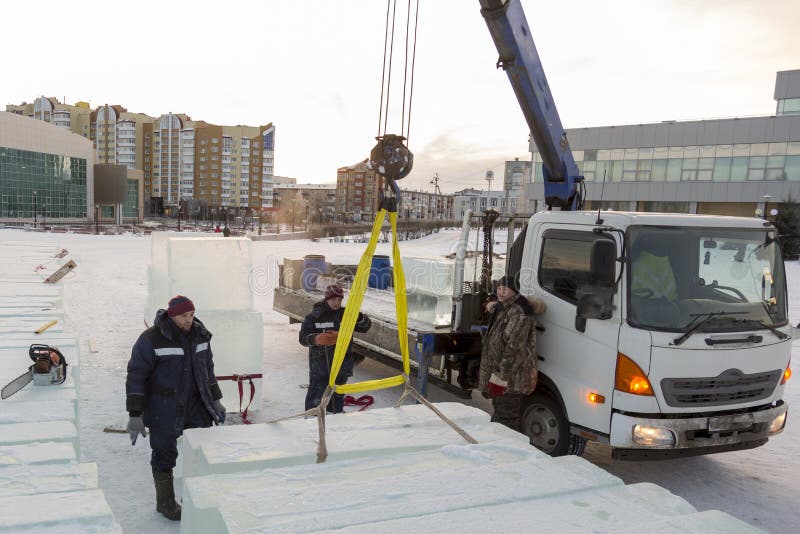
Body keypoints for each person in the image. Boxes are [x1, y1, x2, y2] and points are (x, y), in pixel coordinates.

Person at [125, 295, 226, 521]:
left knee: (201, 451)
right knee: (164, 454)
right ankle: (166, 503)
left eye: (191, 314)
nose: (189, 320)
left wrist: (215, 399)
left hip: (197, 406)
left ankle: (200, 498)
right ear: (172, 315)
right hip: (164, 408)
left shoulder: (200, 335)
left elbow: (208, 370)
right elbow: (136, 377)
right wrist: (135, 414)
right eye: (183, 316)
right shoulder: (151, 339)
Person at [478, 275, 542, 432]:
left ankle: (505, 451)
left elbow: (514, 349)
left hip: (510, 380)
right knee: (501, 414)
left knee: (506, 421)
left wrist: (500, 378)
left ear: (514, 291)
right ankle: (501, 449)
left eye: (505, 289)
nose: (500, 292)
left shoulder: (518, 312)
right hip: (504, 377)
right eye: (499, 288)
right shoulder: (504, 307)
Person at [299, 284, 371, 414]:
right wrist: (316, 339)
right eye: (333, 299)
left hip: (342, 367)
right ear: (327, 299)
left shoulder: (346, 315)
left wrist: (359, 317)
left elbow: (365, 327)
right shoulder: (314, 317)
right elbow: (303, 338)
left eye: (339, 299)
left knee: (337, 401)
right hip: (321, 368)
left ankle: (336, 419)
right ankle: (311, 424)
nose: (337, 302)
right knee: (316, 400)